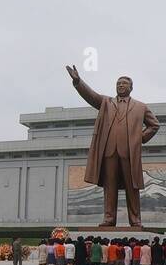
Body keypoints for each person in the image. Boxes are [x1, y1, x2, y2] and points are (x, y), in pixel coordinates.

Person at [66, 65, 160, 228]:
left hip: (129, 153)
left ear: (131, 87)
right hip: (109, 152)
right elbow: (91, 96)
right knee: (110, 187)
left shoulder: (140, 107)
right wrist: (78, 81)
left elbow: (154, 125)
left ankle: (135, 219)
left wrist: (140, 138)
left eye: (124, 83)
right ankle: (109, 218)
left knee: (132, 187)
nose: (120, 85)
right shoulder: (106, 102)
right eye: (118, 83)